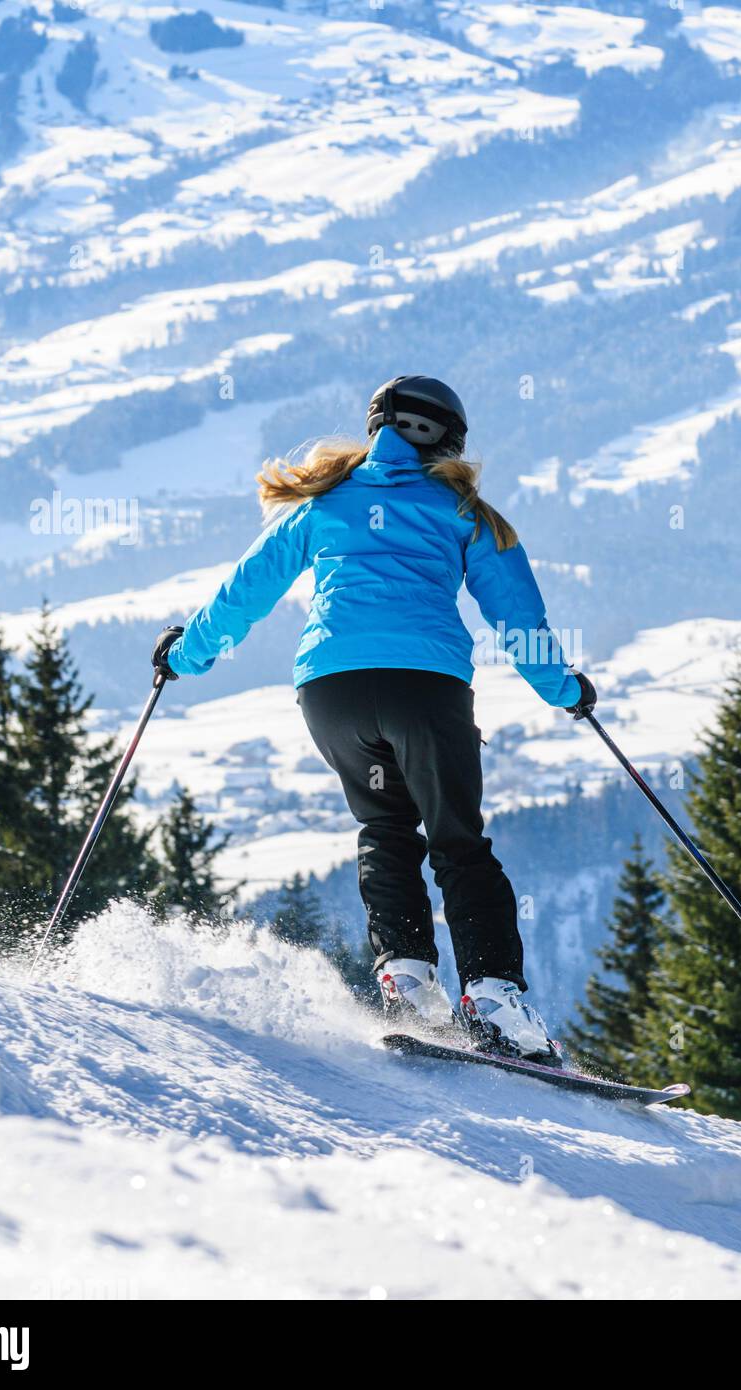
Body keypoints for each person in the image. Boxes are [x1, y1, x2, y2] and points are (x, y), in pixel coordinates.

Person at [150, 375, 596, 1061]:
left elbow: (242, 595)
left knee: (385, 827)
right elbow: (520, 621)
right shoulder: (466, 512)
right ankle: (496, 1000)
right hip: (425, 688)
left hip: (332, 694)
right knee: (458, 841)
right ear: (451, 439)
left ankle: (410, 983)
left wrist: (185, 655)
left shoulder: (323, 504)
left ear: (377, 428)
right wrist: (566, 693)